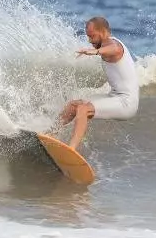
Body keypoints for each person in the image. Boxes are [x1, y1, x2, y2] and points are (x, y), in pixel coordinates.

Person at [59, 17, 139, 150]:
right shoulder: (107, 45)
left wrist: (96, 52)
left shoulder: (114, 46)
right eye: (88, 37)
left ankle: (71, 149)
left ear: (103, 32)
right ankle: (49, 134)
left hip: (126, 102)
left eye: (92, 36)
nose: (90, 40)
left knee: (83, 109)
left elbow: (114, 49)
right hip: (114, 96)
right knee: (73, 106)